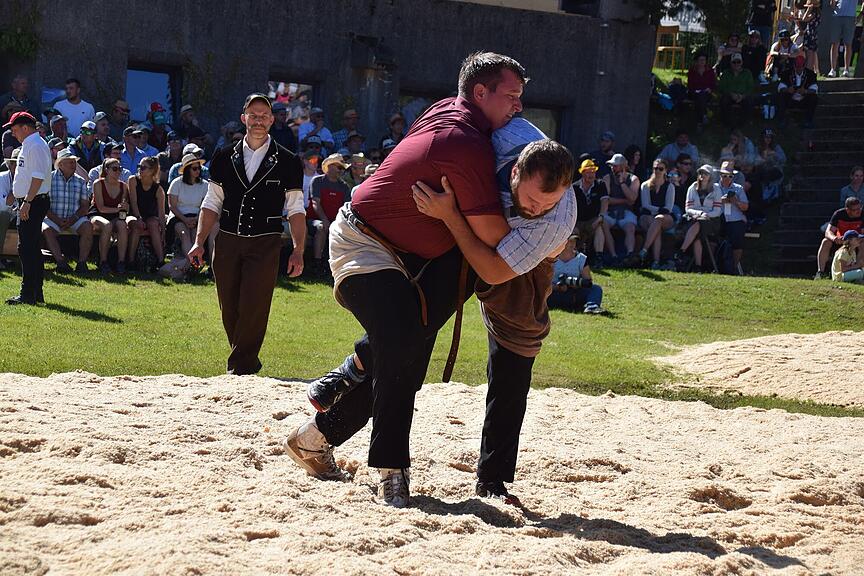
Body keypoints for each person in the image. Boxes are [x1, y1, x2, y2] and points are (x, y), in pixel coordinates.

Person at [284, 52, 527, 507]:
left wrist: (453, 218)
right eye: (511, 96)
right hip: (365, 242)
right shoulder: (464, 140)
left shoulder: (449, 110)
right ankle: (390, 468)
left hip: (419, 254)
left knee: (403, 352)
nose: (518, 107)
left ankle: (324, 423)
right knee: (402, 348)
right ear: (480, 93)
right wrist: (543, 229)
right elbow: (495, 236)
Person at [187, 93, 306, 375]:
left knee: (254, 305)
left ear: (272, 120)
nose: (258, 121)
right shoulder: (223, 156)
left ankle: (240, 367)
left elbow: (296, 209)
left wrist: (299, 250)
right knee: (229, 305)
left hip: (265, 243)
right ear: (244, 118)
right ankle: (246, 362)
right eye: (253, 115)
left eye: (264, 116)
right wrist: (198, 243)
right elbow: (211, 202)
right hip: (227, 241)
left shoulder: (288, 161)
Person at [4, 111, 52, 305]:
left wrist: (28, 202)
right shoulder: (30, 145)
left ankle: (28, 294)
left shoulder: (36, 146)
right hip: (30, 200)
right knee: (30, 248)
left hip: (33, 201)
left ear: (26, 128)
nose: (13, 134)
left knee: (27, 248)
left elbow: (38, 177)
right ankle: (35, 293)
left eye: (15, 129)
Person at [42, 149, 93, 274]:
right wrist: (57, 220)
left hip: (74, 218)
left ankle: (82, 263)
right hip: (53, 218)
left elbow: (85, 205)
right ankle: (61, 262)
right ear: (60, 164)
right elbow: (43, 205)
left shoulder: (80, 181)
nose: (73, 165)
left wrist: (73, 219)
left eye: (74, 162)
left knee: (88, 226)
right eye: (70, 162)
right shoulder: (48, 179)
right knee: (46, 230)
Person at [308, 153, 351, 275]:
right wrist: (325, 220)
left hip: (335, 222)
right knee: (321, 227)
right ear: (330, 166)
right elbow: (316, 203)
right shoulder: (317, 181)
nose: (341, 171)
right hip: (314, 220)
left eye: (342, 168)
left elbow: (345, 208)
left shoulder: (344, 187)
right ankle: (317, 264)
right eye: (339, 167)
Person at [168, 153, 214, 263]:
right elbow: (172, 206)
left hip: (197, 216)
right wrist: (185, 219)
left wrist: (197, 218)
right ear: (187, 170)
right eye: (194, 168)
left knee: (195, 235)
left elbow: (205, 205)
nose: (198, 171)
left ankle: (192, 263)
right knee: (184, 234)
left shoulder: (204, 185)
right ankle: (192, 263)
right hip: (178, 216)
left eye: (199, 168)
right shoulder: (176, 183)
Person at [678, 164, 723, 271]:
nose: (702, 175)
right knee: (697, 233)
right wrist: (699, 213)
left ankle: (681, 251)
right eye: (700, 173)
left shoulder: (716, 189)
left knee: (698, 225)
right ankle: (698, 266)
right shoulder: (692, 188)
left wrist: (706, 215)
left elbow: (717, 211)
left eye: (706, 173)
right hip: (694, 218)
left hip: (711, 221)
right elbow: (688, 208)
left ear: (710, 176)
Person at [90, 157, 130, 274]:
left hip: (114, 216)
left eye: (120, 169)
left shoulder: (123, 186)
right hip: (97, 215)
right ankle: (103, 261)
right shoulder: (98, 183)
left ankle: (121, 262)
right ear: (106, 170)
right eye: (115, 169)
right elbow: (101, 208)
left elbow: (123, 209)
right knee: (107, 225)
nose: (118, 172)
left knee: (122, 225)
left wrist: (125, 208)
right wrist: (118, 209)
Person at [548, 234, 604, 314]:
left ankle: (592, 307)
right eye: (569, 241)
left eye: (574, 242)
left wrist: (575, 284)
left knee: (596, 288)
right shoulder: (551, 258)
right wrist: (556, 287)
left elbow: (588, 282)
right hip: (553, 293)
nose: (572, 244)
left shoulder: (581, 258)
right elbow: (542, 281)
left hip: (574, 294)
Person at [127, 156, 166, 269]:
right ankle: (130, 261)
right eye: (139, 166)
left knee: (153, 224)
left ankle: (160, 261)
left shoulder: (158, 190)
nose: (140, 169)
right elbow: (133, 202)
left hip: (149, 216)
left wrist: (163, 230)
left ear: (152, 171)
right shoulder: (133, 180)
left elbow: (161, 213)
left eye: (143, 167)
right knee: (136, 225)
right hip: (133, 214)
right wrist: (138, 217)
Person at [638, 159, 676, 269]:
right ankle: (656, 262)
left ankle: (644, 249)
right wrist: (660, 209)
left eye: (661, 169)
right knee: (656, 227)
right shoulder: (645, 185)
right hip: (647, 217)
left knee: (658, 220)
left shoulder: (670, 187)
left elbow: (668, 208)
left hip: (664, 217)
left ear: (665, 170)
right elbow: (645, 205)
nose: (658, 171)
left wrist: (656, 211)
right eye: (655, 168)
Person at [602, 153, 640, 261]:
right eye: (612, 165)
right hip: (610, 211)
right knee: (603, 224)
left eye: (616, 165)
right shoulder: (607, 178)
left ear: (623, 166)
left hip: (626, 212)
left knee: (630, 227)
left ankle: (629, 254)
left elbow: (632, 198)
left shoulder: (633, 179)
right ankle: (613, 255)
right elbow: (607, 199)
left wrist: (622, 183)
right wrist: (624, 200)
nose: (613, 168)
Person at [572, 158, 609, 267]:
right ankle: (572, 259)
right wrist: (573, 224)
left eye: (593, 172)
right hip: (578, 221)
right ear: (582, 173)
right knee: (572, 233)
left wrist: (601, 216)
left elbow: (605, 201)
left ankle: (599, 258)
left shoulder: (600, 184)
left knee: (599, 227)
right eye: (588, 172)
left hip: (593, 220)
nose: (591, 175)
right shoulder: (574, 187)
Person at [815, 196, 863, 279]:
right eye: (855, 210)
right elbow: (828, 231)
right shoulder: (839, 214)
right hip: (840, 240)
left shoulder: (863, 214)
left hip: (856, 241)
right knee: (825, 241)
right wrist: (835, 238)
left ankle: (858, 268)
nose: (858, 211)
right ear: (848, 210)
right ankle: (820, 272)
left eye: (859, 208)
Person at [716, 161, 750, 273]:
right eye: (724, 175)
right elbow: (708, 204)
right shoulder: (714, 187)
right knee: (711, 237)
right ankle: (711, 265)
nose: (727, 178)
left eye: (730, 176)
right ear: (720, 175)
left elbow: (745, 207)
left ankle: (734, 267)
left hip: (734, 219)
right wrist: (720, 201)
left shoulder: (738, 188)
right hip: (718, 218)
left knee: (737, 237)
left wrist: (736, 202)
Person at [777, 54, 818, 129]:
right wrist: (788, 90)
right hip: (790, 99)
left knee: (813, 98)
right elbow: (780, 87)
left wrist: (805, 91)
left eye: (800, 67)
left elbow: (814, 89)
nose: (799, 69)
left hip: (804, 99)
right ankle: (782, 120)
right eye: (797, 67)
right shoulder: (786, 73)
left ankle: (808, 121)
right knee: (781, 96)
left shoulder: (811, 74)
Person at [718, 53, 755, 128]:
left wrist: (742, 96)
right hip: (729, 95)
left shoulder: (747, 73)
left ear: (742, 62)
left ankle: (743, 124)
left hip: (743, 96)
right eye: (734, 62)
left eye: (738, 62)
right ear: (731, 63)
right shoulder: (726, 73)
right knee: (724, 100)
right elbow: (722, 87)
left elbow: (750, 87)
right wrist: (731, 94)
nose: (736, 64)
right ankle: (726, 123)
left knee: (749, 101)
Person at [827, 0, 859, 77]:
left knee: (848, 44)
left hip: (850, 16)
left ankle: (846, 69)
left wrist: (861, 14)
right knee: (834, 43)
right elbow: (832, 5)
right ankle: (832, 69)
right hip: (837, 16)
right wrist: (833, 3)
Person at [0, 151, 19, 270]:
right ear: (10, 165)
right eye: (16, 164)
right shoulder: (1, 178)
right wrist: (16, 187)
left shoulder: (29, 179)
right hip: (4, 213)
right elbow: (4, 204)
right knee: (4, 216)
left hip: (18, 213)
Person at [756, 128, 787, 203]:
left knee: (773, 173)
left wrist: (774, 154)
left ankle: (773, 194)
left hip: (775, 170)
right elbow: (755, 160)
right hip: (762, 170)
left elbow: (783, 159)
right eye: (766, 137)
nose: (768, 139)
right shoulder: (758, 149)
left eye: (770, 137)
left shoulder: (776, 148)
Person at [687, 53, 717, 128]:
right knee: (699, 97)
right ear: (697, 61)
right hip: (694, 93)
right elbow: (690, 84)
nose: (702, 62)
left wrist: (710, 89)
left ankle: (699, 122)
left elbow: (713, 84)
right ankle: (703, 115)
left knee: (701, 97)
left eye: (704, 60)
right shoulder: (692, 71)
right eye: (700, 60)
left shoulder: (710, 71)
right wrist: (696, 90)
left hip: (707, 93)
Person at [795, 0, 822, 75]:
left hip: (811, 34)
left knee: (809, 54)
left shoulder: (813, 13)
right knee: (810, 54)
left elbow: (804, 19)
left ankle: (808, 71)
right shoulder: (818, 13)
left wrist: (808, 11)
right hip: (813, 34)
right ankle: (809, 71)